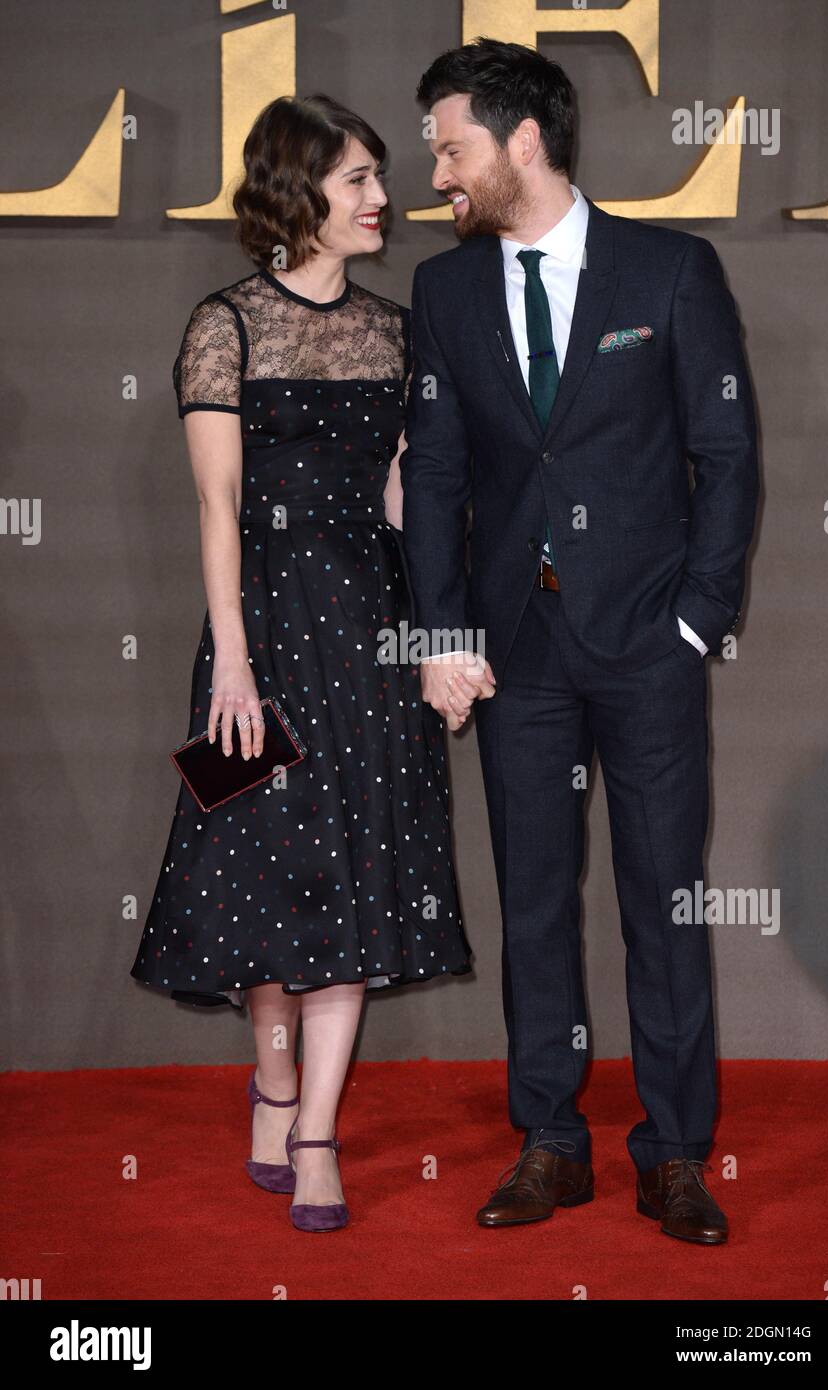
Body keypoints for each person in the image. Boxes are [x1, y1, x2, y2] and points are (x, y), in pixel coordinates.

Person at [401, 38, 759, 1243]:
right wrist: (443, 631)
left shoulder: (668, 272)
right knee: (536, 903)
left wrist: (697, 622)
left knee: (665, 901)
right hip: (519, 655)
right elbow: (442, 471)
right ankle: (551, 1140)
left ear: (522, 142)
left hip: (649, 648)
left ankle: (672, 1153)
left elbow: (729, 457)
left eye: (450, 147)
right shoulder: (446, 293)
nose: (436, 172)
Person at [130, 93, 472, 1233]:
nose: (387, 198)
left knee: (360, 884)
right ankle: (273, 1081)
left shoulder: (394, 330)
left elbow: (406, 499)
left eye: (384, 177)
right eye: (363, 179)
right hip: (259, 641)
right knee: (259, 891)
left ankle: (317, 1129)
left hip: (371, 639)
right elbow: (218, 503)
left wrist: (433, 639)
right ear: (300, 190)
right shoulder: (223, 325)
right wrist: (230, 663)